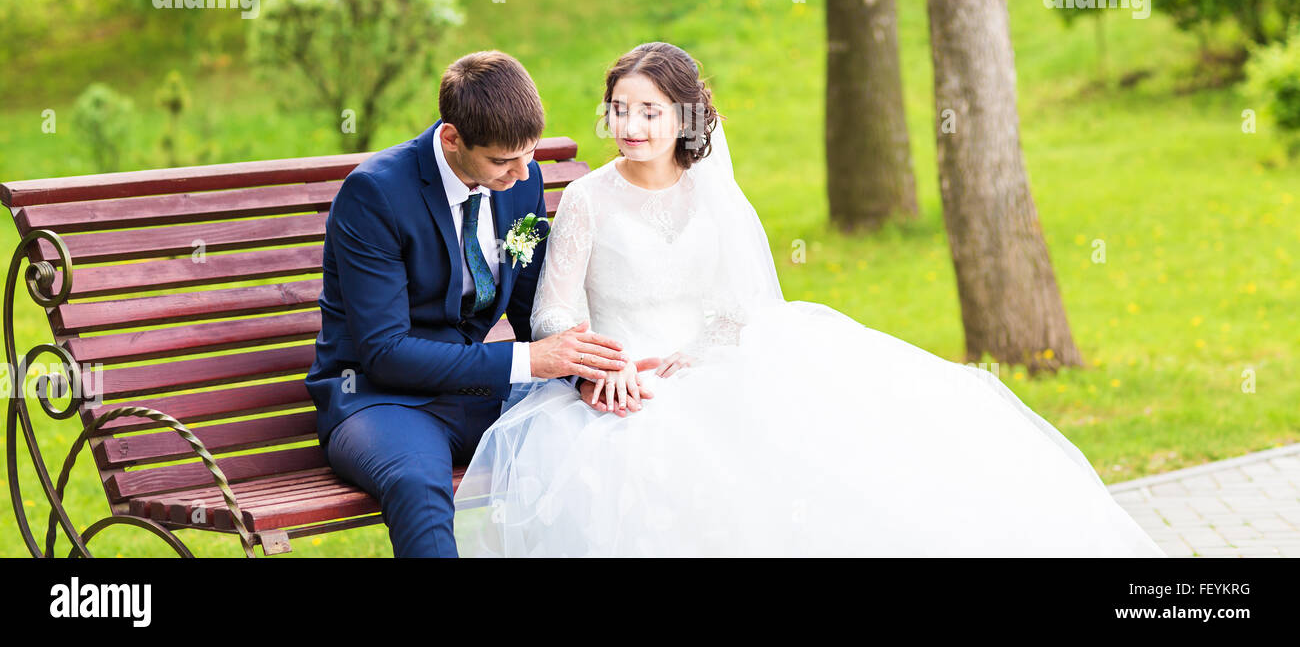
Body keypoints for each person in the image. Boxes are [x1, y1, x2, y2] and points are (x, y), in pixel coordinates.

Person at [451, 41, 1168, 557]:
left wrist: (694, 359)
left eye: (650, 112)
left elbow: (737, 308)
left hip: (701, 367)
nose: (632, 127)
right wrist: (596, 366)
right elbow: (551, 311)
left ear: (687, 120)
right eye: (620, 111)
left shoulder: (714, 197)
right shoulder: (584, 199)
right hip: (614, 382)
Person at [305, 50, 631, 557]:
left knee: (606, 431)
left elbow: (528, 311)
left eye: (530, 154)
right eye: (503, 160)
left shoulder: (521, 181)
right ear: (452, 138)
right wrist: (529, 362)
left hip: (475, 389)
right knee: (417, 483)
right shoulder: (375, 195)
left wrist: (584, 371)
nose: (522, 174)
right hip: (380, 399)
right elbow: (385, 352)